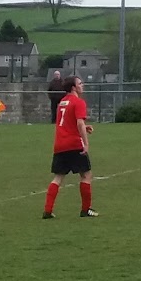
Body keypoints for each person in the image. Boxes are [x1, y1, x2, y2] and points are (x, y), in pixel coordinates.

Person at [44, 76, 98, 218]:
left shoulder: (62, 102)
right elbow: (79, 123)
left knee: (58, 178)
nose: (83, 85)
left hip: (60, 144)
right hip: (74, 143)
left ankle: (48, 211)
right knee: (86, 175)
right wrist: (85, 143)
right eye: (80, 83)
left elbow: (67, 122)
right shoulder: (79, 102)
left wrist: (84, 128)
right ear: (73, 87)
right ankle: (86, 209)